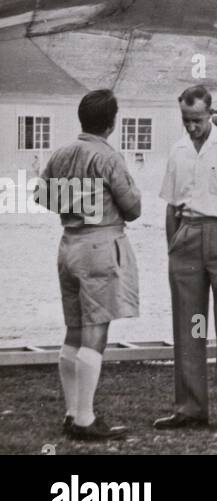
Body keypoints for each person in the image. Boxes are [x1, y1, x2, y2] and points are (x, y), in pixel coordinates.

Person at [39, 89, 141, 441]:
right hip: (100, 244)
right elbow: (133, 208)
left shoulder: (63, 153)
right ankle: (84, 418)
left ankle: (72, 412)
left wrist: (75, 206)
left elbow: (41, 196)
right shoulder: (108, 157)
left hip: (68, 244)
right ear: (112, 123)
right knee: (96, 331)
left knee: (74, 330)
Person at [155, 86, 217, 436]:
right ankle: (190, 407)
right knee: (192, 324)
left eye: (196, 120)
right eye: (186, 120)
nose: (191, 127)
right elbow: (171, 205)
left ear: (210, 113)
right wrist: (173, 244)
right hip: (188, 241)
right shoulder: (178, 151)